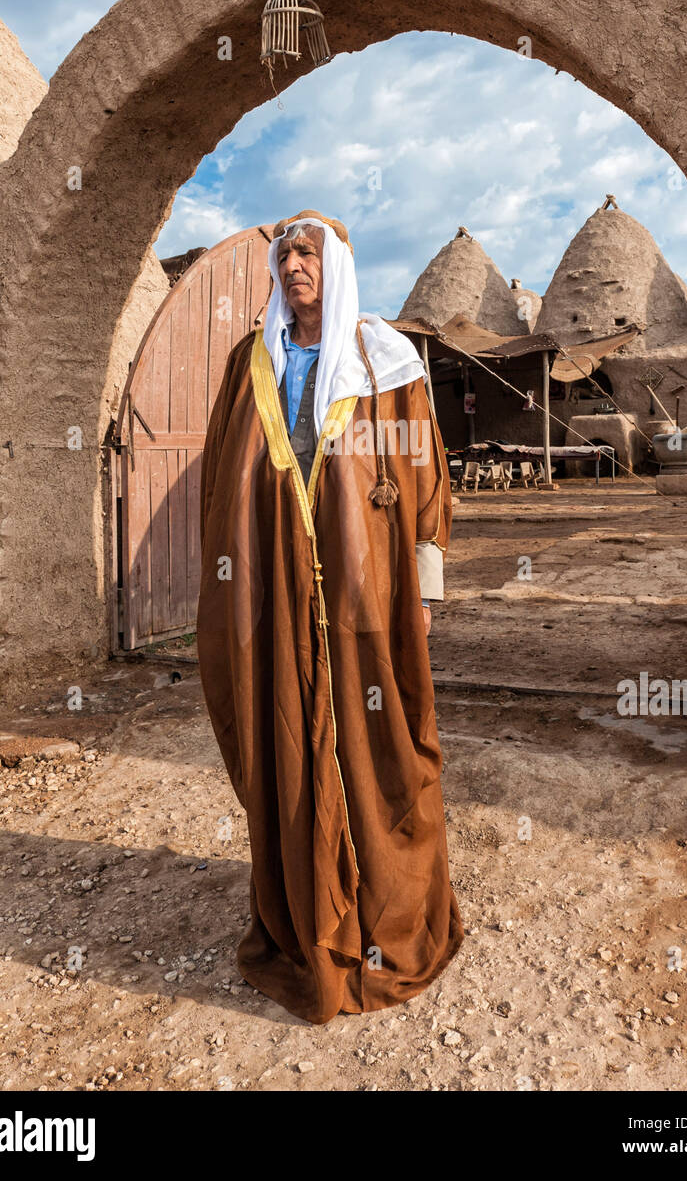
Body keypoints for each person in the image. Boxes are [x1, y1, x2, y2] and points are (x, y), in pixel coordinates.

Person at [197, 209, 463, 1024]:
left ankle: (387, 917)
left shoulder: (384, 361)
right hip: (275, 589)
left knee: (383, 742)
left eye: (309, 252)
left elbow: (424, 482)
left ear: (337, 265)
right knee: (286, 736)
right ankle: (304, 922)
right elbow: (222, 480)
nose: (294, 264)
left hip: (366, 585)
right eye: (284, 254)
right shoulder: (252, 364)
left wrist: (422, 588)